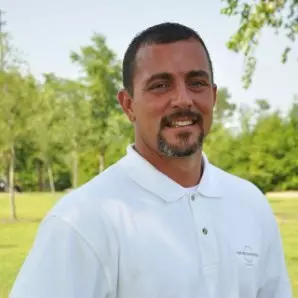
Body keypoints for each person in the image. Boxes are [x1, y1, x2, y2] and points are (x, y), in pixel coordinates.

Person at [10, 22, 292, 298]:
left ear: (213, 96)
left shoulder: (250, 204)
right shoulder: (82, 221)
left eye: (196, 83)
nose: (183, 99)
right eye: (160, 85)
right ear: (128, 105)